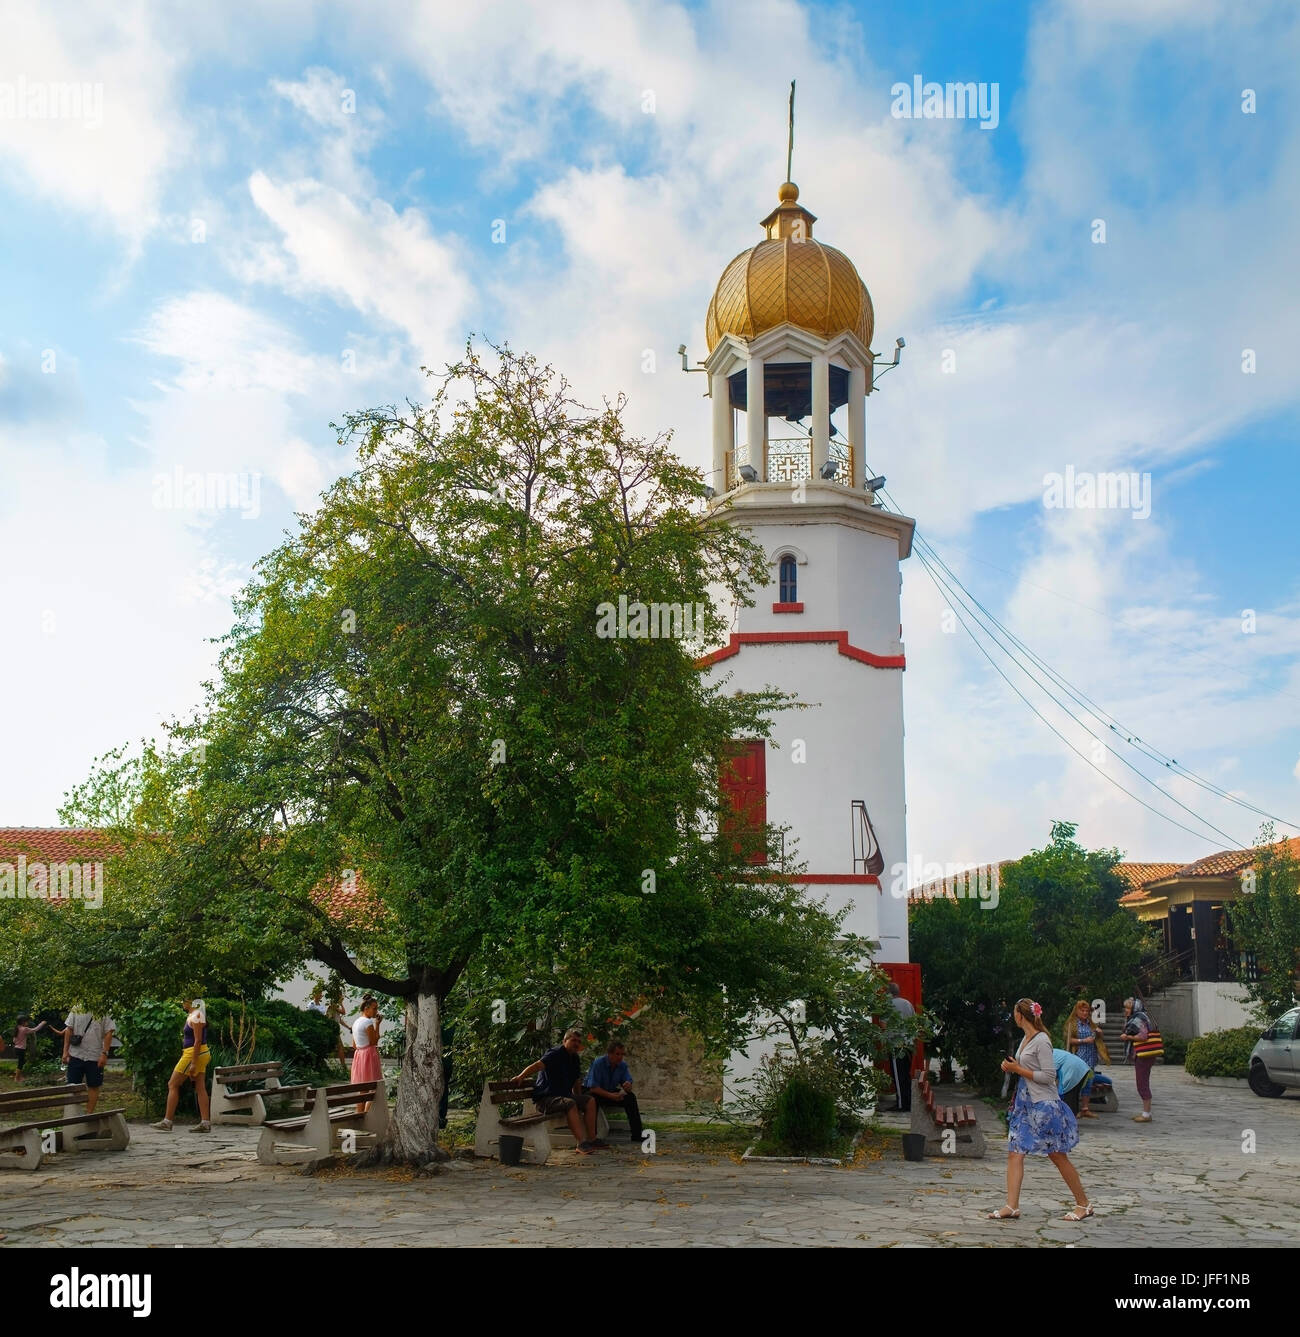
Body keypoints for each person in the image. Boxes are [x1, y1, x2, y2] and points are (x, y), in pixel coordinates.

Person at [988, 999, 1093, 1222]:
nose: (1013, 1016)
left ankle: (1083, 1204)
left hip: (1043, 1105)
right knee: (1015, 1153)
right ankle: (1012, 1206)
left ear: (1020, 1015)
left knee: (1056, 1154)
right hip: (1024, 1106)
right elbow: (1024, 1068)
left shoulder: (1042, 1040)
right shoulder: (1025, 1039)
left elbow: (1048, 1077)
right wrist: (1010, 1067)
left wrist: (1018, 1069)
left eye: (1014, 1012)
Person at [513, 1028, 603, 1155]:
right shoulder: (555, 1053)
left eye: (578, 1041)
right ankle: (581, 1143)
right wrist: (521, 1076)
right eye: (573, 1040)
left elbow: (576, 1081)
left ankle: (592, 1139)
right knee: (570, 1103)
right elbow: (538, 1065)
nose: (576, 1044)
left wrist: (579, 1099)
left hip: (563, 1097)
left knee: (590, 1100)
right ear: (564, 1041)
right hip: (546, 1099)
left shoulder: (575, 1058)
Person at [152, 999, 212, 1131]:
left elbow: (198, 1041)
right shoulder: (194, 1015)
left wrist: (194, 1063)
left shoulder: (196, 1016)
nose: (182, 1003)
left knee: (173, 1084)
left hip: (193, 1054)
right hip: (198, 1052)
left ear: (191, 1001)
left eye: (185, 1000)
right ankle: (205, 1122)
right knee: (200, 1086)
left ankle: (167, 1121)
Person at [584, 1039, 643, 1144]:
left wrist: (628, 1086)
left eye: (622, 1054)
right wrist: (611, 1096)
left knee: (630, 1097)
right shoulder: (598, 1063)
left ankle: (637, 1134)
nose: (620, 1057)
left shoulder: (622, 1065)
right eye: (617, 1054)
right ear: (609, 1054)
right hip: (596, 1092)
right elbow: (593, 1087)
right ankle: (593, 1137)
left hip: (610, 1092)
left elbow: (627, 1083)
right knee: (592, 1100)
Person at [1064, 999, 1111, 1119]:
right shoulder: (1072, 1024)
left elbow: (1098, 1037)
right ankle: (1074, 1107)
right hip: (1079, 1057)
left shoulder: (1091, 1023)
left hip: (1091, 1057)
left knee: (1088, 1082)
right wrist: (1083, 1041)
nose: (1085, 1013)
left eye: (1087, 1011)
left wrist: (1100, 1033)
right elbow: (1068, 1040)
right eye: (1082, 1010)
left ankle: (1085, 1108)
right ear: (1077, 1011)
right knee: (1078, 1082)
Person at [62, 1009, 115, 1113]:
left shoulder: (104, 1010)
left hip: (95, 1055)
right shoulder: (76, 1008)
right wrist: (65, 1051)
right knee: (72, 1086)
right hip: (76, 1054)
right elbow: (69, 1029)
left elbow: (109, 1032)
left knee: (94, 1085)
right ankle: (73, 1113)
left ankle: (89, 1114)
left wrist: (104, 1053)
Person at [1123, 996, 1159, 1122]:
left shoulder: (1138, 1018)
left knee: (1142, 1084)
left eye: (1128, 1008)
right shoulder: (1143, 1016)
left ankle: (1146, 1114)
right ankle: (1146, 1112)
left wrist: (1128, 1037)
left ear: (1134, 1008)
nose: (1126, 1011)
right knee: (1143, 1082)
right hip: (1145, 1056)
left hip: (1142, 1055)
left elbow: (1143, 1036)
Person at [887, 981, 916, 1112]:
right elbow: (914, 1023)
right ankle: (908, 1102)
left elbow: (883, 1024)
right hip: (909, 1045)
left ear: (888, 993)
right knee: (905, 1075)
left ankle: (901, 1105)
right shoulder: (908, 1003)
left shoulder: (888, 1005)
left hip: (896, 1045)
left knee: (898, 1077)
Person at [350, 996, 382, 1110]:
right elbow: (374, 1041)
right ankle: (366, 1115)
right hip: (369, 1055)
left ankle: (359, 1115)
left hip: (359, 1055)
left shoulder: (356, 1022)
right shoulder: (368, 1022)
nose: (376, 1011)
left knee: (362, 1090)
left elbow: (354, 1045)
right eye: (374, 1008)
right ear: (367, 1008)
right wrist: (377, 1025)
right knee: (374, 1088)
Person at [1052, 1046, 1091, 1115]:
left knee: (1069, 1099)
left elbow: (1050, 1075)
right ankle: (1072, 1120)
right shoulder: (1053, 1051)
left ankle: (1069, 1122)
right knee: (1073, 1098)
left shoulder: (1047, 1055)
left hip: (1073, 1071)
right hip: (1082, 1068)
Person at [12, 1015, 49, 1082]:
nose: (28, 1023)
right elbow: (35, 1030)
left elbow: (14, 1040)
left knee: (22, 1062)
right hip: (21, 1049)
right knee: (21, 1063)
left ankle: (19, 1076)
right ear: (23, 1022)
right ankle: (17, 1078)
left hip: (16, 1048)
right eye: (27, 1022)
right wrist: (42, 1024)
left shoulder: (17, 1028)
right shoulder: (24, 1029)